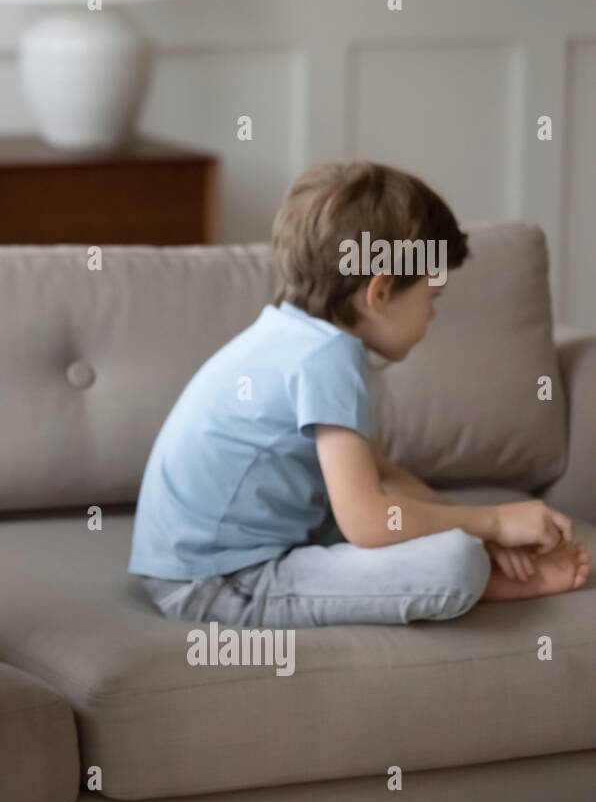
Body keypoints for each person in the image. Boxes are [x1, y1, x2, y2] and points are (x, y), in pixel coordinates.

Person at [129, 160, 590, 628]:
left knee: (440, 530)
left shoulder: (292, 330)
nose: (432, 315)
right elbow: (368, 520)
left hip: (201, 564)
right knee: (454, 561)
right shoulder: (326, 357)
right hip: (220, 582)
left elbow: (379, 472)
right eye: (432, 297)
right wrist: (491, 523)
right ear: (381, 292)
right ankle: (487, 582)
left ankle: (476, 555)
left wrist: (476, 521)